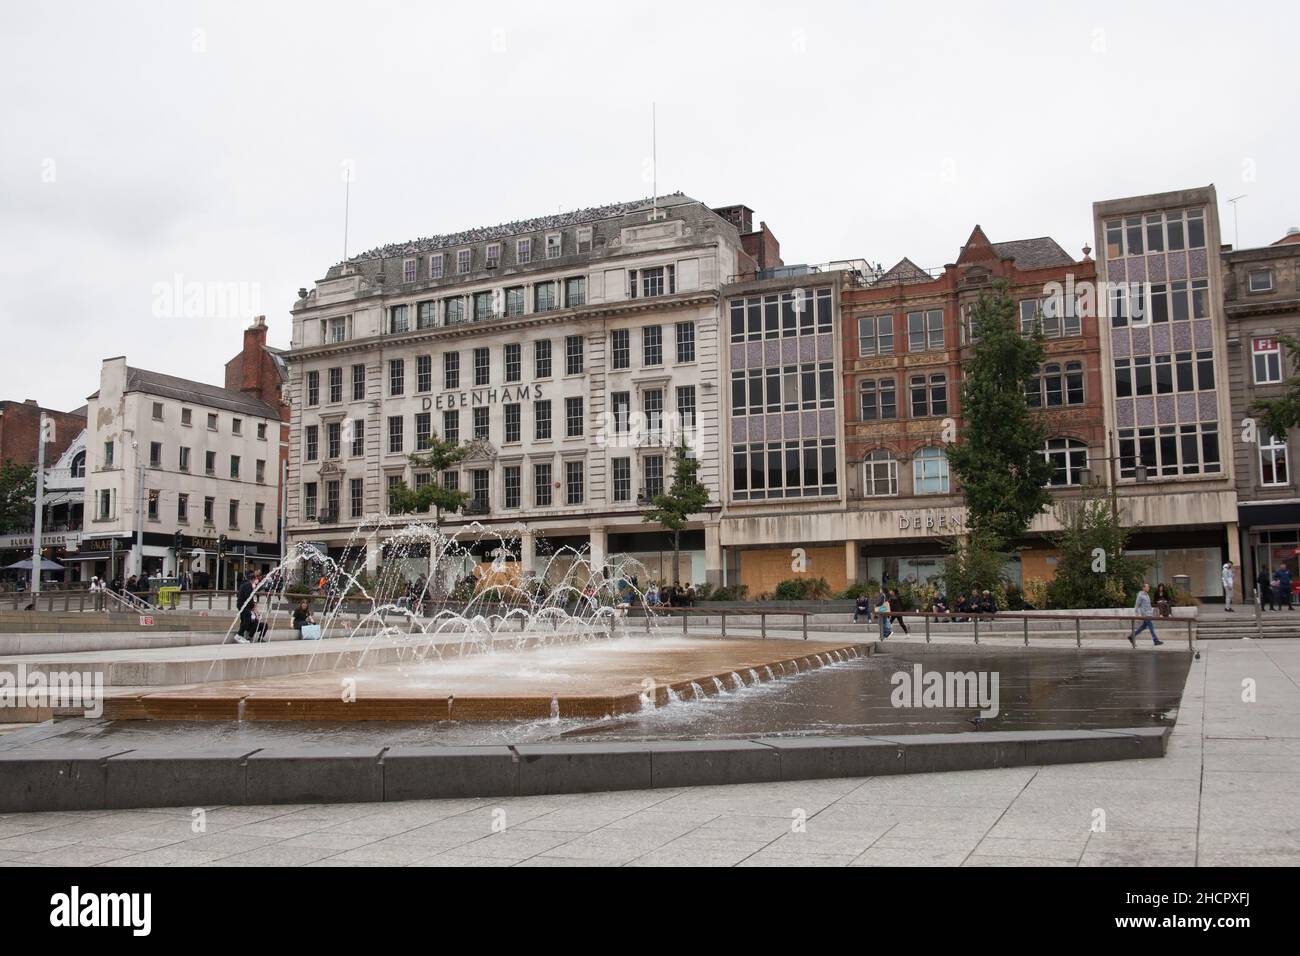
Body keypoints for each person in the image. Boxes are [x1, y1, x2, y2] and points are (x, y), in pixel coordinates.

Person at [1129, 582, 1163, 647]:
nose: (1148, 588)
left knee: (1143, 627)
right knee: (1151, 626)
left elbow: (1149, 605)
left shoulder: (1147, 595)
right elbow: (1137, 605)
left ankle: (1131, 636)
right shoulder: (1140, 595)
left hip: (1149, 614)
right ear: (1143, 588)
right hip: (1145, 614)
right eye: (1147, 587)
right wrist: (1137, 614)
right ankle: (1155, 640)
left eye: (1149, 587)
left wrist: (1152, 612)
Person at [234, 572, 255, 643]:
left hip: (240, 604)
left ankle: (240, 636)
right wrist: (252, 605)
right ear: (252, 579)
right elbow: (248, 597)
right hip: (244, 605)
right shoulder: (248, 585)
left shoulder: (243, 584)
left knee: (243, 619)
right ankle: (239, 635)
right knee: (248, 618)